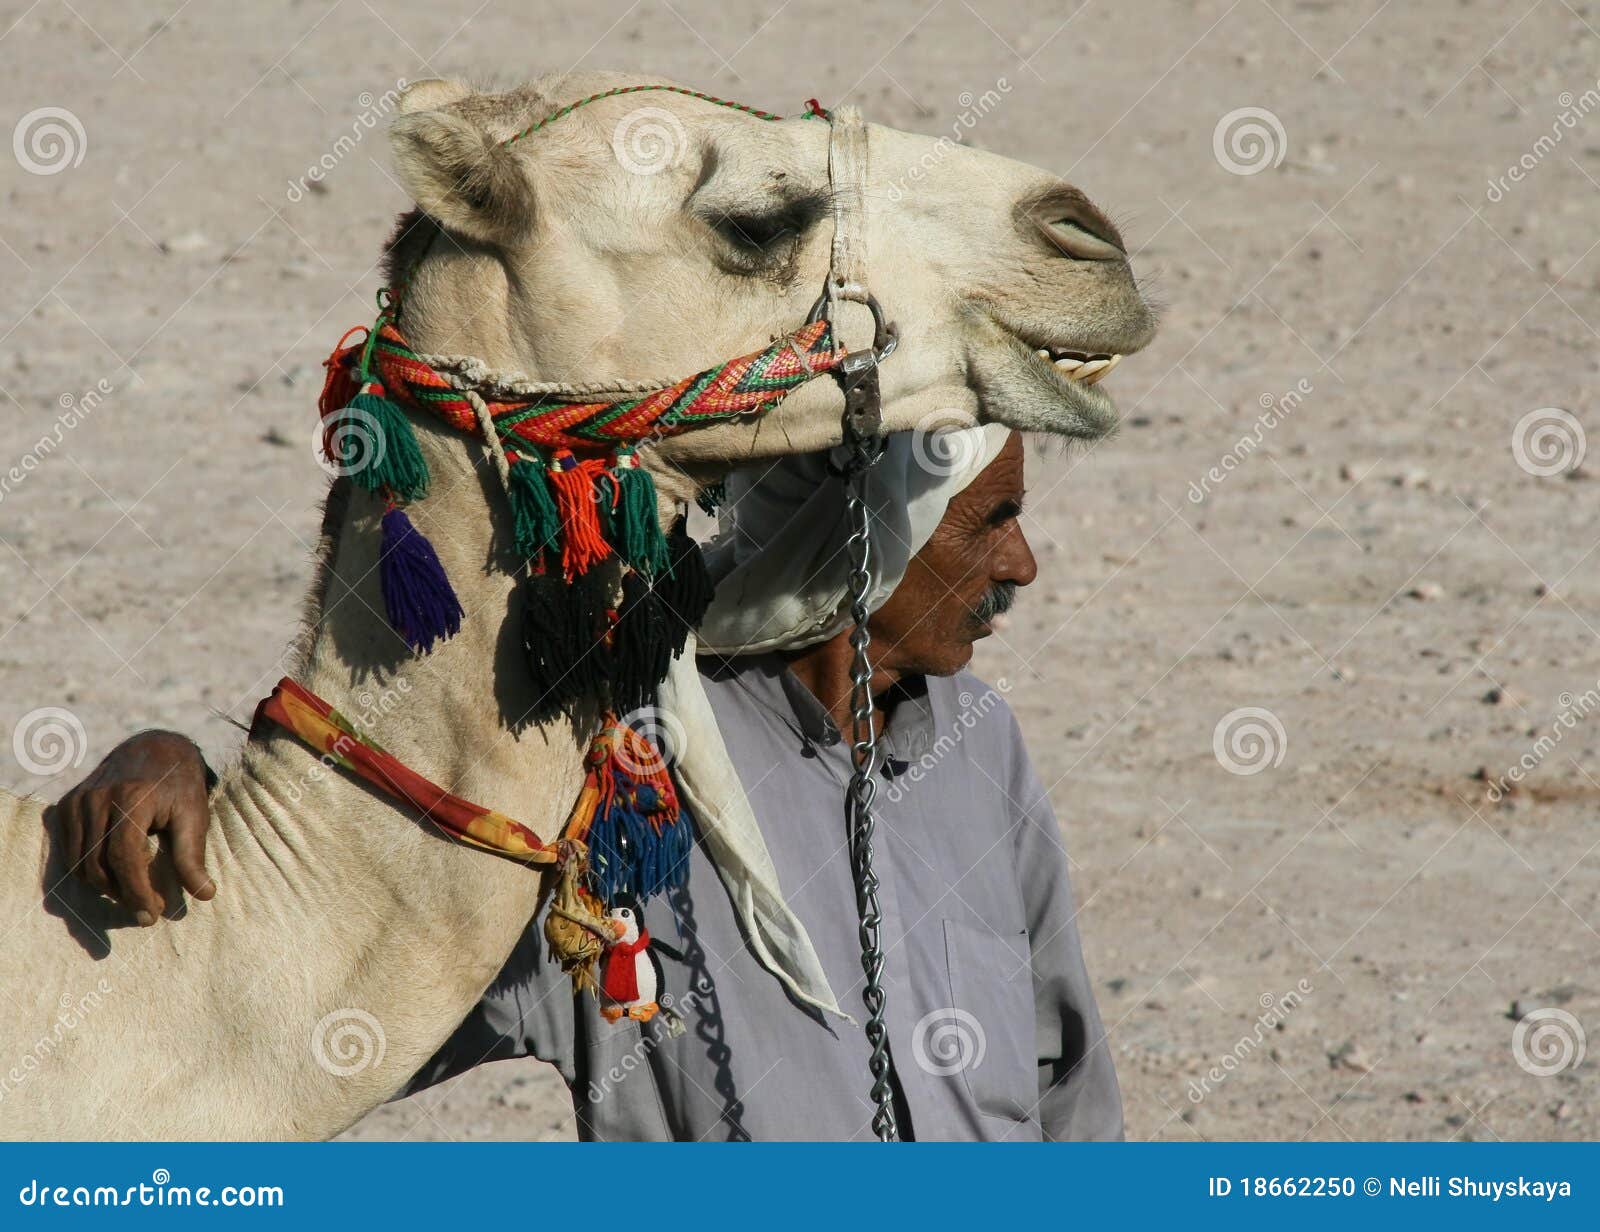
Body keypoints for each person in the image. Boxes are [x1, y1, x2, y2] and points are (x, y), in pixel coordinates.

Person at [53, 428, 1120, 1141]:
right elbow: (309, 977)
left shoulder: (977, 742)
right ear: (860, 535)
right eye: (989, 519)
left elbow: (1067, 1083)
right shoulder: (608, 769)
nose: (1022, 565)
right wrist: (172, 760)